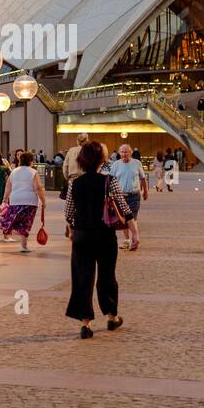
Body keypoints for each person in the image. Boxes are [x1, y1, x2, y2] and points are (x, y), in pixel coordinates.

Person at [64, 140, 130, 339]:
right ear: (102, 160)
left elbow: (68, 213)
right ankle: (112, 317)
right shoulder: (109, 181)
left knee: (83, 278)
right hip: (105, 236)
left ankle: (86, 324)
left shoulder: (74, 183)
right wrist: (134, 231)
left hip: (82, 236)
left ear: (81, 160)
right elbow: (124, 208)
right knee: (107, 276)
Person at [0, 151, 45, 251]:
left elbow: (8, 187)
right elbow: (38, 187)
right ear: (30, 161)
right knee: (26, 223)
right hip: (30, 201)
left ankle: (8, 228)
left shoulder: (14, 172)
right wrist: (43, 201)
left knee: (15, 219)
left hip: (15, 200)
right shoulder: (33, 172)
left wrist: (5, 199)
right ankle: (23, 245)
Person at [110, 144, 149, 251]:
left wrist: (145, 191)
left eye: (126, 152)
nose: (124, 154)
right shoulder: (116, 165)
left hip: (134, 196)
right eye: (122, 152)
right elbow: (110, 180)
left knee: (133, 218)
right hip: (121, 196)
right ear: (119, 153)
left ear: (130, 152)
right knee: (124, 220)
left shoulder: (137, 163)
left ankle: (134, 240)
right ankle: (127, 240)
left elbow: (143, 178)